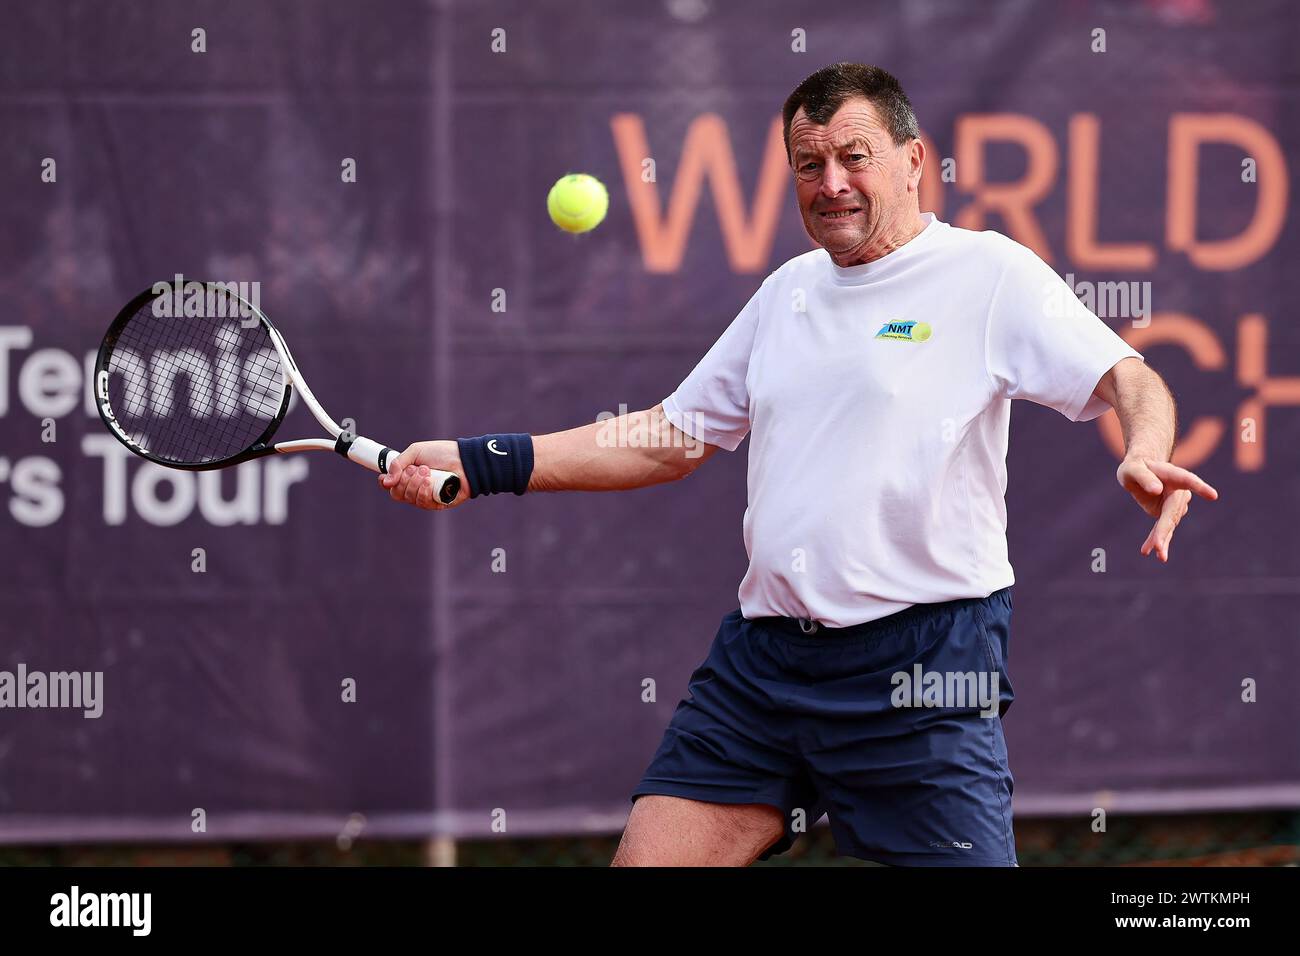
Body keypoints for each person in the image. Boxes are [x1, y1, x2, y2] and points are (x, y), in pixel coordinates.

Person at [379, 63, 1219, 866]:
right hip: (765, 667)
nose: (832, 184)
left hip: (924, 672)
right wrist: (482, 461)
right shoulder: (787, 293)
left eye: (855, 157)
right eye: (808, 164)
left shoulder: (988, 273)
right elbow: (671, 437)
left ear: (914, 159)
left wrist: (1146, 451)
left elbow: (1128, 375)